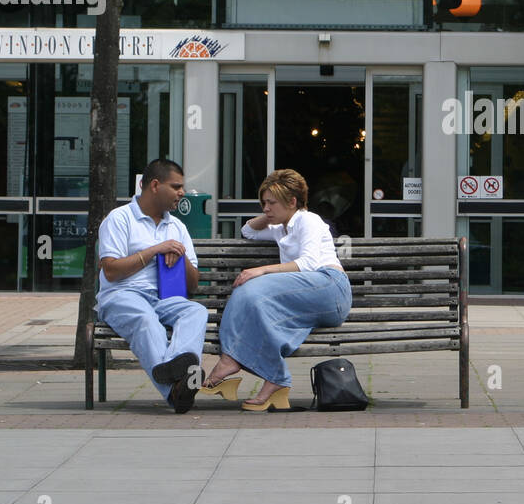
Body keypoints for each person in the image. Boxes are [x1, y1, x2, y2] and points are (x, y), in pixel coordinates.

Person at [202, 169, 352, 412]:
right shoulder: (279, 227)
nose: (265, 208)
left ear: (292, 201)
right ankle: (274, 378)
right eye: (263, 203)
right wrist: (271, 215)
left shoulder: (308, 220)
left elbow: (309, 264)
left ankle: (229, 361)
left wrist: (262, 270)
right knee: (253, 302)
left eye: (271, 202)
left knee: (249, 286)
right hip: (309, 295)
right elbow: (247, 231)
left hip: (330, 287)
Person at [96, 158, 207, 412]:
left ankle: (176, 367)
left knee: (196, 311)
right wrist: (156, 249)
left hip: (165, 298)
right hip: (123, 294)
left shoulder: (177, 227)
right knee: (146, 321)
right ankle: (177, 389)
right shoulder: (120, 219)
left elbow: (193, 286)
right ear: (155, 185)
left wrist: (181, 259)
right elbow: (111, 271)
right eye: (176, 186)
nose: (182, 193)